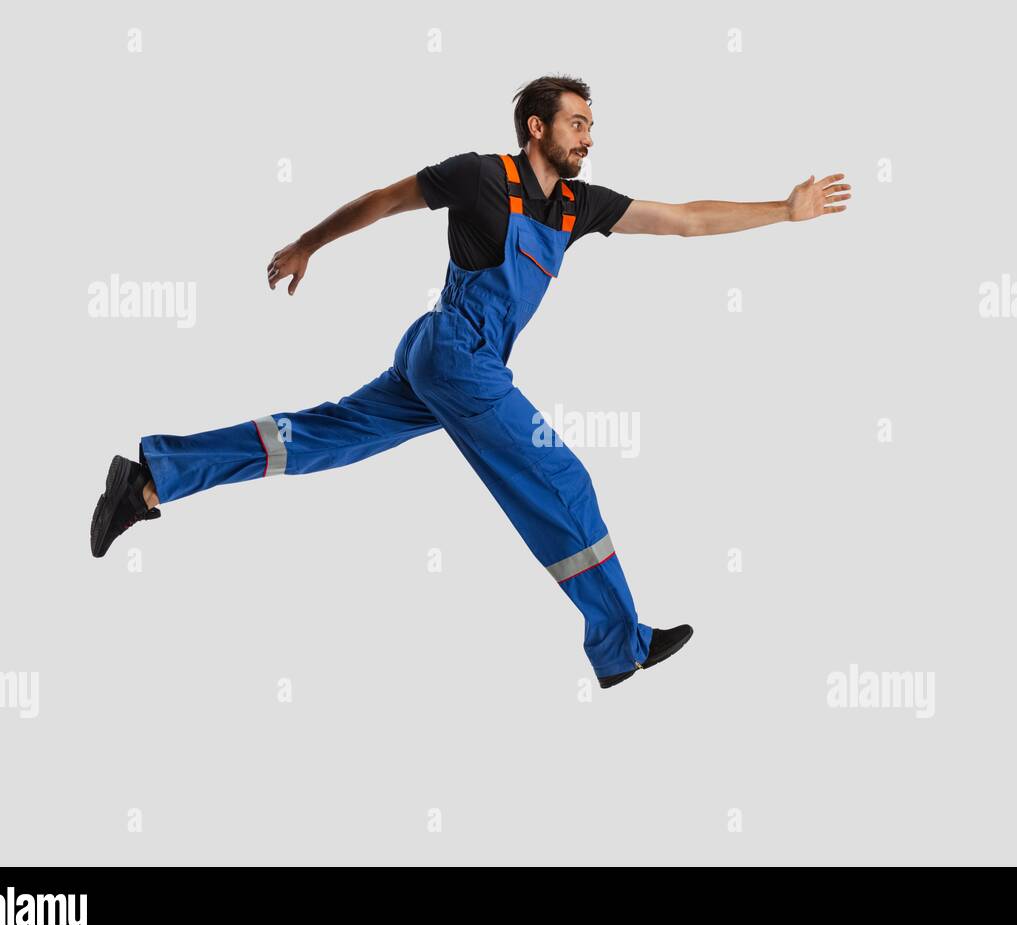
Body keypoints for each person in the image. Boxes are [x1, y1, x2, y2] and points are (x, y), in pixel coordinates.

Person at [90, 74, 851, 688]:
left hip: (442, 360)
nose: (590, 134)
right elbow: (384, 200)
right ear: (537, 127)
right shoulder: (482, 178)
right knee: (562, 476)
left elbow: (683, 218)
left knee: (319, 438)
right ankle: (621, 644)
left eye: (592, 123)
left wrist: (783, 211)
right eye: (578, 122)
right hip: (458, 357)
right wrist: (308, 244)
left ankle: (153, 476)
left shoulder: (580, 206)